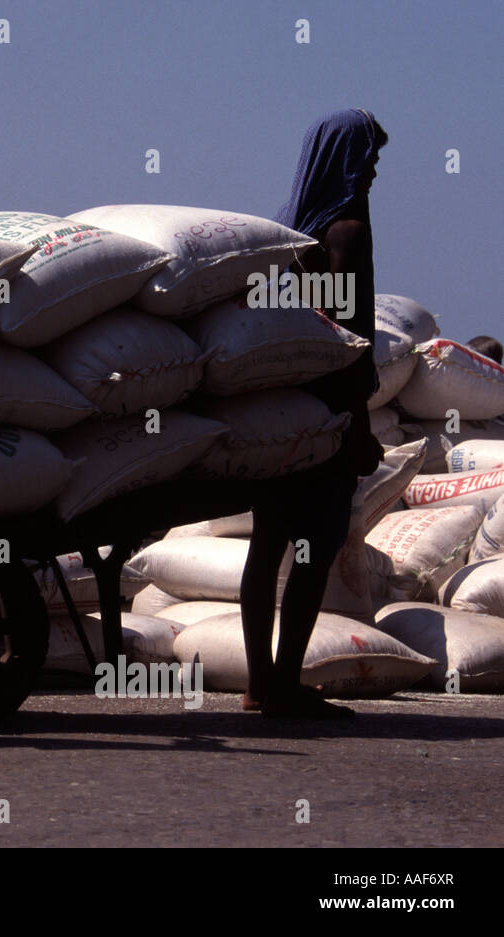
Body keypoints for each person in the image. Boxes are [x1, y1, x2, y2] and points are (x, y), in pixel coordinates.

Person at [240, 109, 388, 718]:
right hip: (327, 411)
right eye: (369, 158)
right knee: (317, 542)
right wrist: (357, 423)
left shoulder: (285, 229)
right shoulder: (347, 231)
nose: (374, 171)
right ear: (344, 161)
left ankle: (258, 684)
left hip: (281, 406)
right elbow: (346, 336)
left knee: (268, 541)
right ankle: (284, 687)